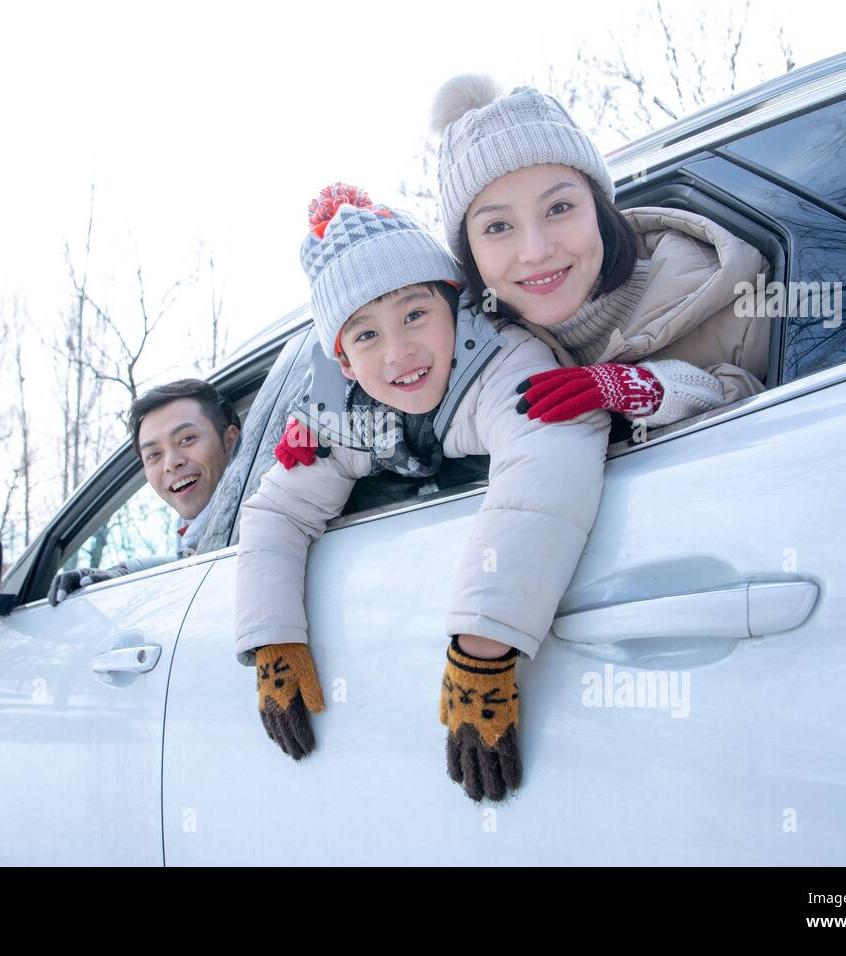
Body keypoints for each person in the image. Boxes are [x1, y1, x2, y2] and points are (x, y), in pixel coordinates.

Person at [234, 182, 610, 802]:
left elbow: (545, 467)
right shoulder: (343, 415)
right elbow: (275, 510)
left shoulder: (502, 363)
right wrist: (275, 637)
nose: (399, 350)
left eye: (415, 314)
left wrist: (483, 650)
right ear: (345, 365)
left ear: (456, 310)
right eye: (366, 336)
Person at [431, 75, 769, 431]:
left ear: (599, 209)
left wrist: (659, 391)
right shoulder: (468, 367)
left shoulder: (742, 308)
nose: (535, 251)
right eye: (498, 227)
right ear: (470, 252)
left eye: (559, 208)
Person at [47, 379, 241, 606]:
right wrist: (120, 574)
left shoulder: (265, 518)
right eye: (154, 455)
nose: (171, 463)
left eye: (186, 439)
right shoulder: (206, 535)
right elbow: (189, 562)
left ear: (230, 440)